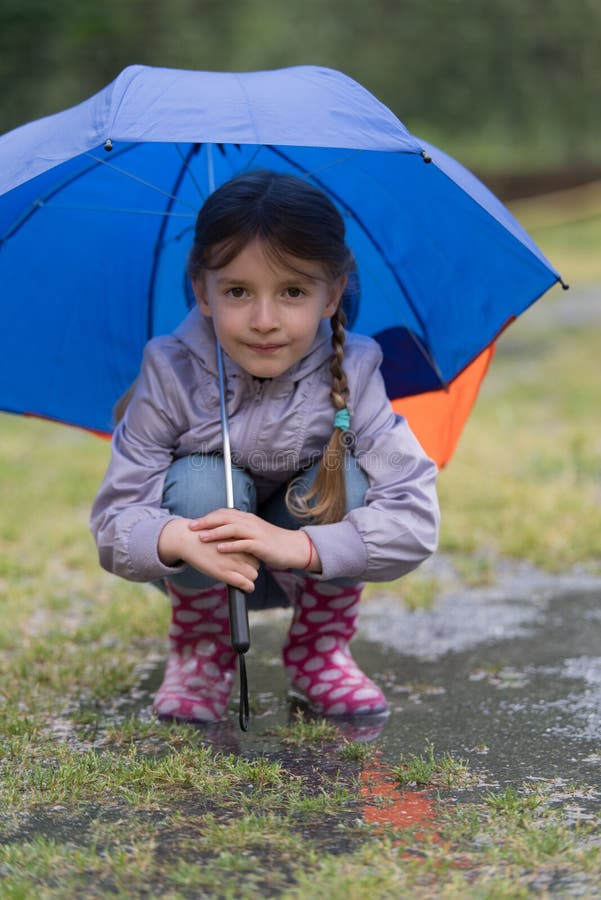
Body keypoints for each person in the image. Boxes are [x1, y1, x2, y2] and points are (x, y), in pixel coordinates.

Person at [90, 170, 440, 725]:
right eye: (237, 291)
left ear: (333, 293)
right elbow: (113, 521)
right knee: (202, 483)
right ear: (201, 288)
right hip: (207, 566)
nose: (263, 321)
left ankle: (320, 649)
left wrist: (296, 547)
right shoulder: (169, 370)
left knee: (349, 477)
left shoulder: (357, 369)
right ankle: (203, 652)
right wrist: (175, 536)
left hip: (310, 556)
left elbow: (416, 520)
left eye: (293, 292)